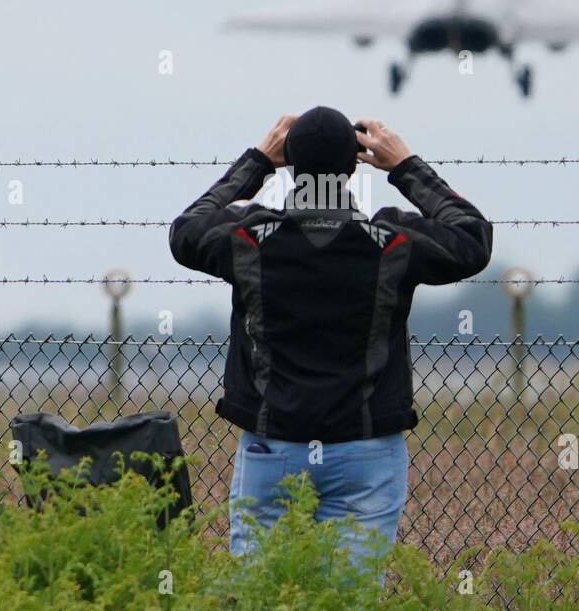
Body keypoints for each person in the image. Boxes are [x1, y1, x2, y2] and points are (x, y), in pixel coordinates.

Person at [168, 106, 493, 564]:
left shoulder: (248, 239)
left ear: (291, 166)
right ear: (353, 167)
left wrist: (257, 162)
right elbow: (473, 237)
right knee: (352, 608)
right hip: (365, 451)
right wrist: (404, 166)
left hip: (271, 446)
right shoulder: (392, 241)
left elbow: (185, 232)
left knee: (262, 599)